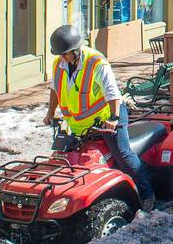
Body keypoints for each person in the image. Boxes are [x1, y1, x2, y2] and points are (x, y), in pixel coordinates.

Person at [46, 24, 154, 210]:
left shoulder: (96, 62)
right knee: (69, 159)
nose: (62, 57)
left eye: (65, 54)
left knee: (123, 154)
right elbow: (55, 91)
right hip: (80, 124)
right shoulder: (59, 64)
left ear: (76, 50)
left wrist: (113, 118)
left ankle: (147, 195)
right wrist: (49, 114)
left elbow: (112, 93)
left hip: (108, 118)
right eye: (60, 54)